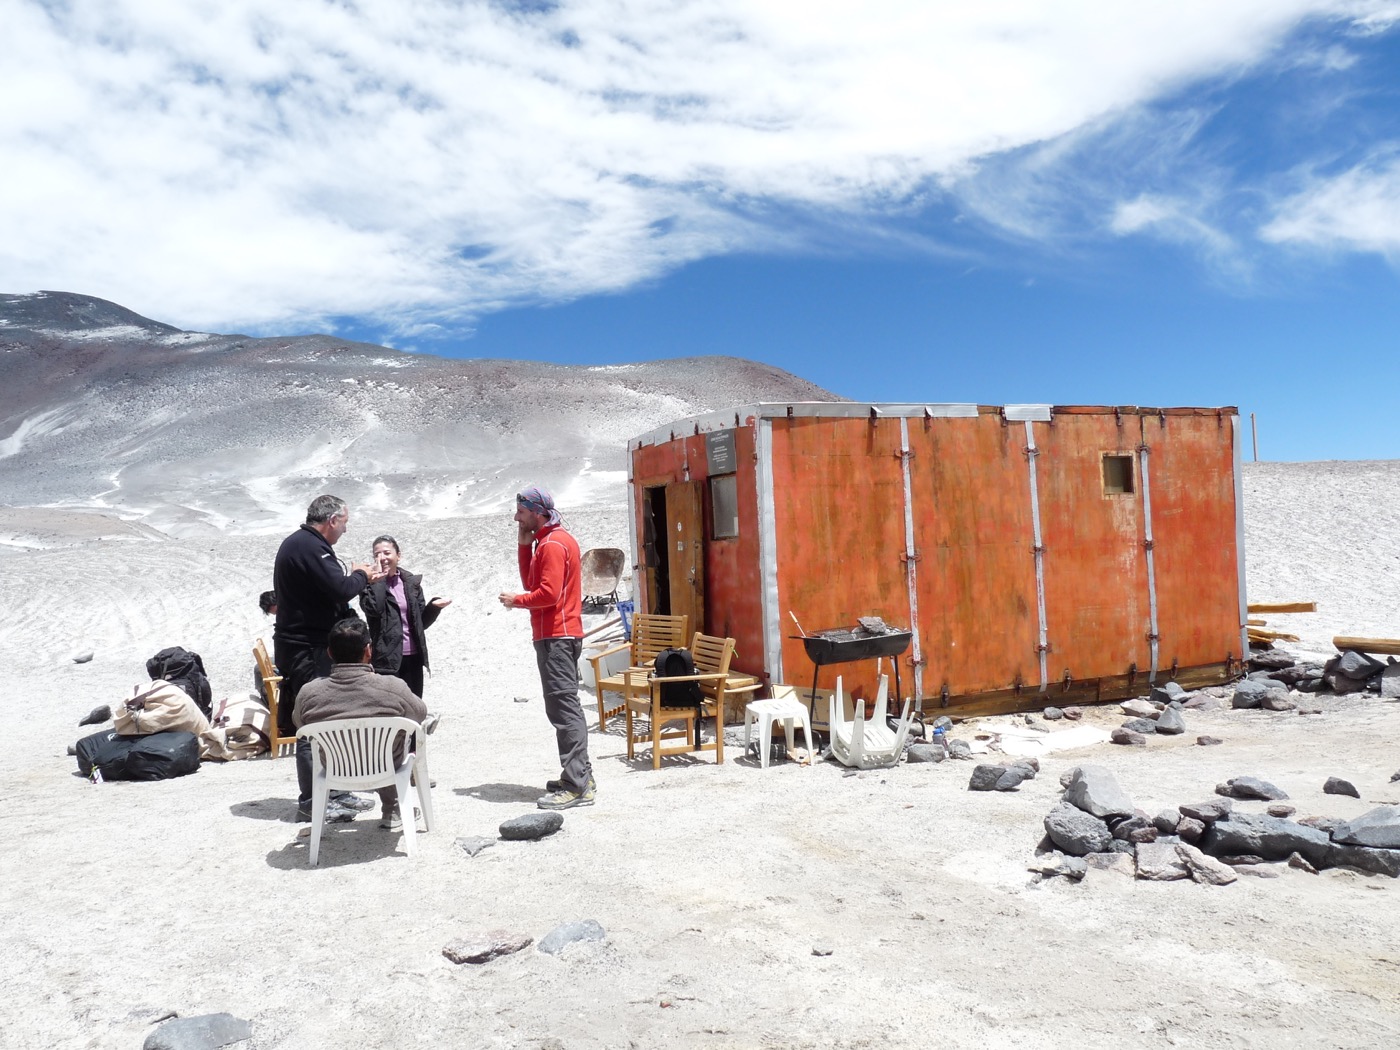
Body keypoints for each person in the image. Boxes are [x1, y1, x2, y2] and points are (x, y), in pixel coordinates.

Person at [273, 494, 383, 822]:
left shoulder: (305, 545)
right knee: (315, 723)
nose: (345, 531)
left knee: (330, 721)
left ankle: (334, 790)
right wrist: (362, 574)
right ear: (332, 520)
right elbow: (339, 588)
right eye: (345, 523)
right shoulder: (308, 546)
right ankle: (313, 802)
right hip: (305, 648)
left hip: (309, 645)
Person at [497, 485, 595, 810]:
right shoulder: (545, 541)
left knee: (564, 709)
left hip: (557, 636)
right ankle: (580, 776)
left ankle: (576, 785)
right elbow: (532, 582)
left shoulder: (553, 543)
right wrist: (524, 545)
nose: (516, 518)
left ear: (537, 512)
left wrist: (516, 602)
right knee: (562, 707)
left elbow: (547, 595)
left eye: (521, 513)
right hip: (555, 636)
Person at [294, 617, 428, 830]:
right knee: (394, 737)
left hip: (336, 770)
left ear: (329, 653)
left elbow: (299, 723)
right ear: (368, 650)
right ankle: (393, 809)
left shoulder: (309, 693)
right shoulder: (393, 687)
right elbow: (420, 713)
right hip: (386, 767)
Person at [359, 535, 451, 698]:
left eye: (387, 553)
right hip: (386, 660)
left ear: (398, 556)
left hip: (413, 656)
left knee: (413, 706)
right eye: (377, 554)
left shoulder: (410, 583)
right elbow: (374, 609)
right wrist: (379, 579)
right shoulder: (369, 584)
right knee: (388, 710)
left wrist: (433, 607)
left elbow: (420, 623)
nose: (382, 558)